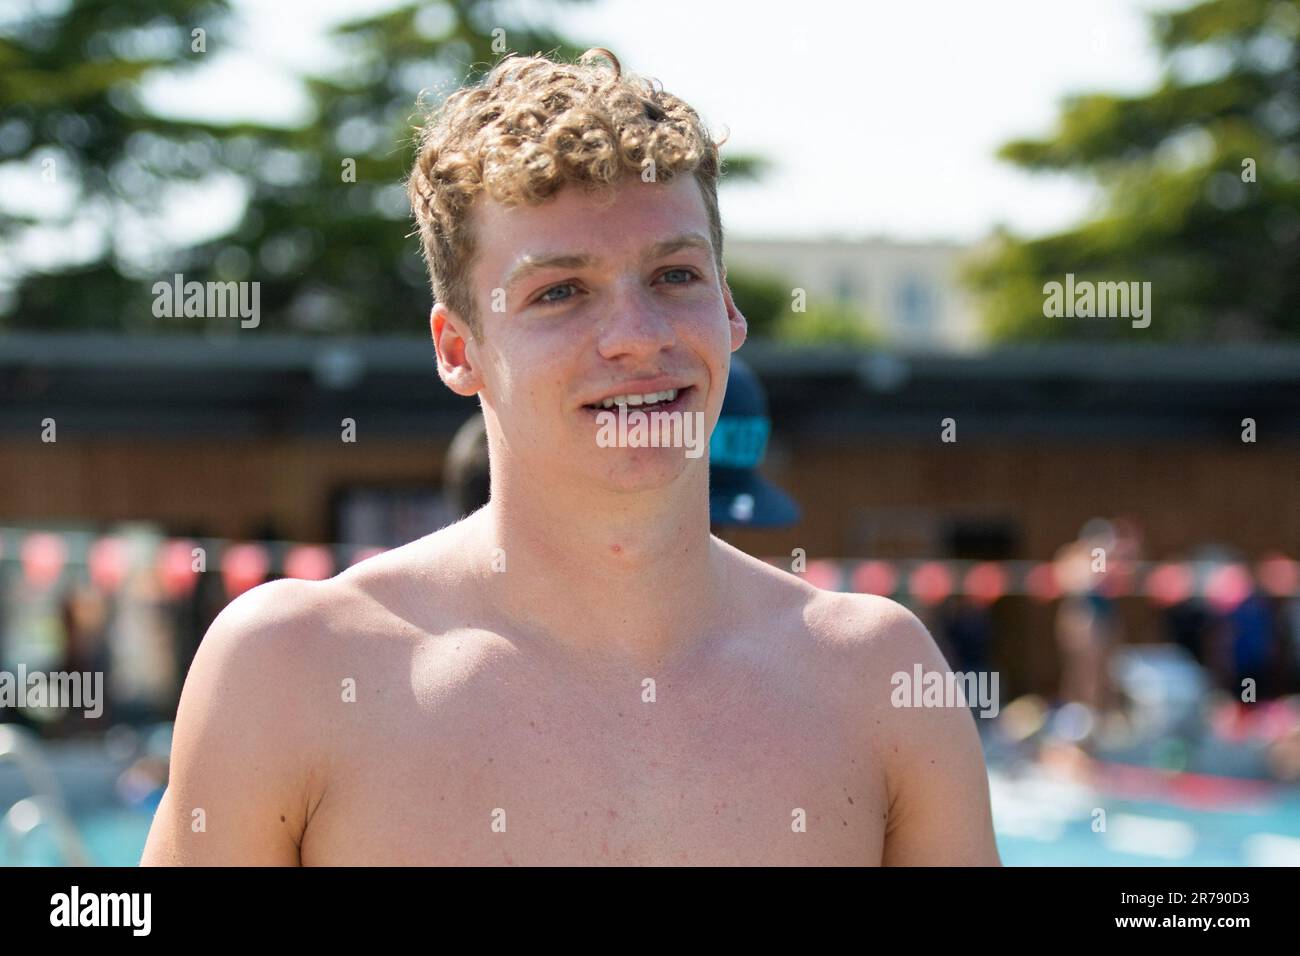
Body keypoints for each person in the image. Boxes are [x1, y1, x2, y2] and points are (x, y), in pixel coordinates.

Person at [142, 48, 999, 866]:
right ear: (457, 348)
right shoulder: (292, 674)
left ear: (729, 311)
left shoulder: (877, 678)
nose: (637, 337)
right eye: (560, 292)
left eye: (674, 276)